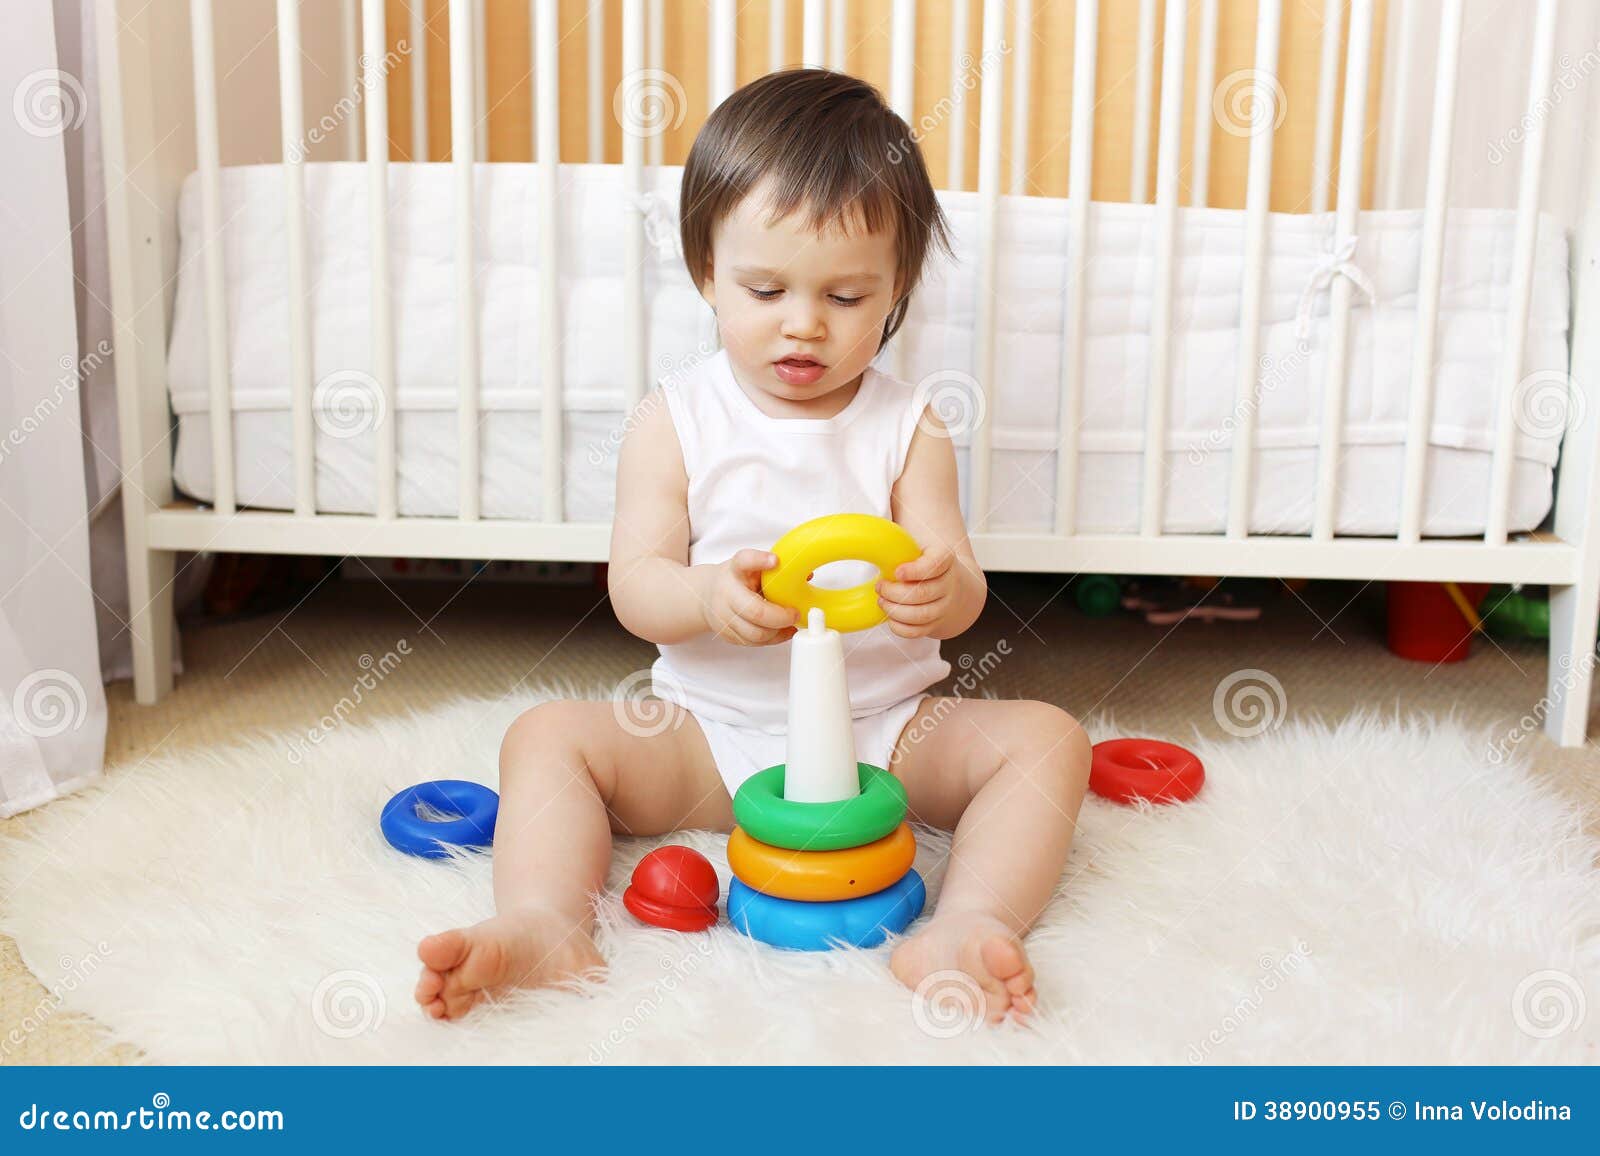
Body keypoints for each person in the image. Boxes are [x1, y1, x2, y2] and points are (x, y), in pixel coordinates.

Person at [415, 68, 1091, 1026]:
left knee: (1049, 740)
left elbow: (962, 579)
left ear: (896, 288)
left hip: (886, 735)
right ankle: (545, 923)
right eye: (765, 288)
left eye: (848, 297)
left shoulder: (911, 426)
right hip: (706, 738)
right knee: (545, 736)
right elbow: (636, 587)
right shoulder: (674, 419)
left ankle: (966, 922)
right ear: (705, 271)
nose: (804, 323)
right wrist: (707, 600)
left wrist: (941, 593)